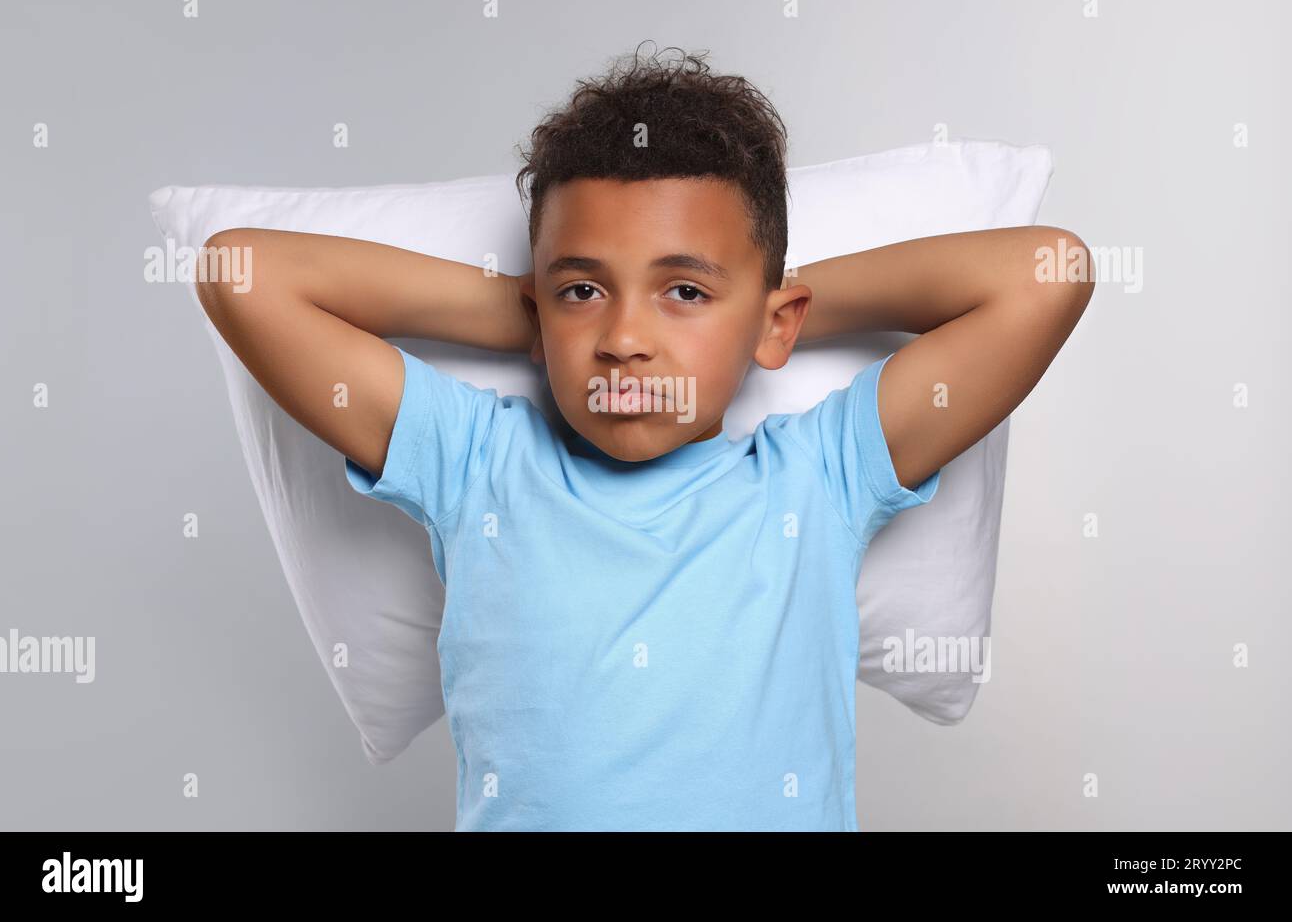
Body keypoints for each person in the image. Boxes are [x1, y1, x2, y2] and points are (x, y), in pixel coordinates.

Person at [194, 42, 1094, 830]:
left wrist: (755, 312)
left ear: (780, 323)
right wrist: (536, 315)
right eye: (585, 290)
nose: (625, 338)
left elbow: (1047, 276)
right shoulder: (477, 464)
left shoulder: (819, 476)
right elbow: (242, 273)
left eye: (685, 291)